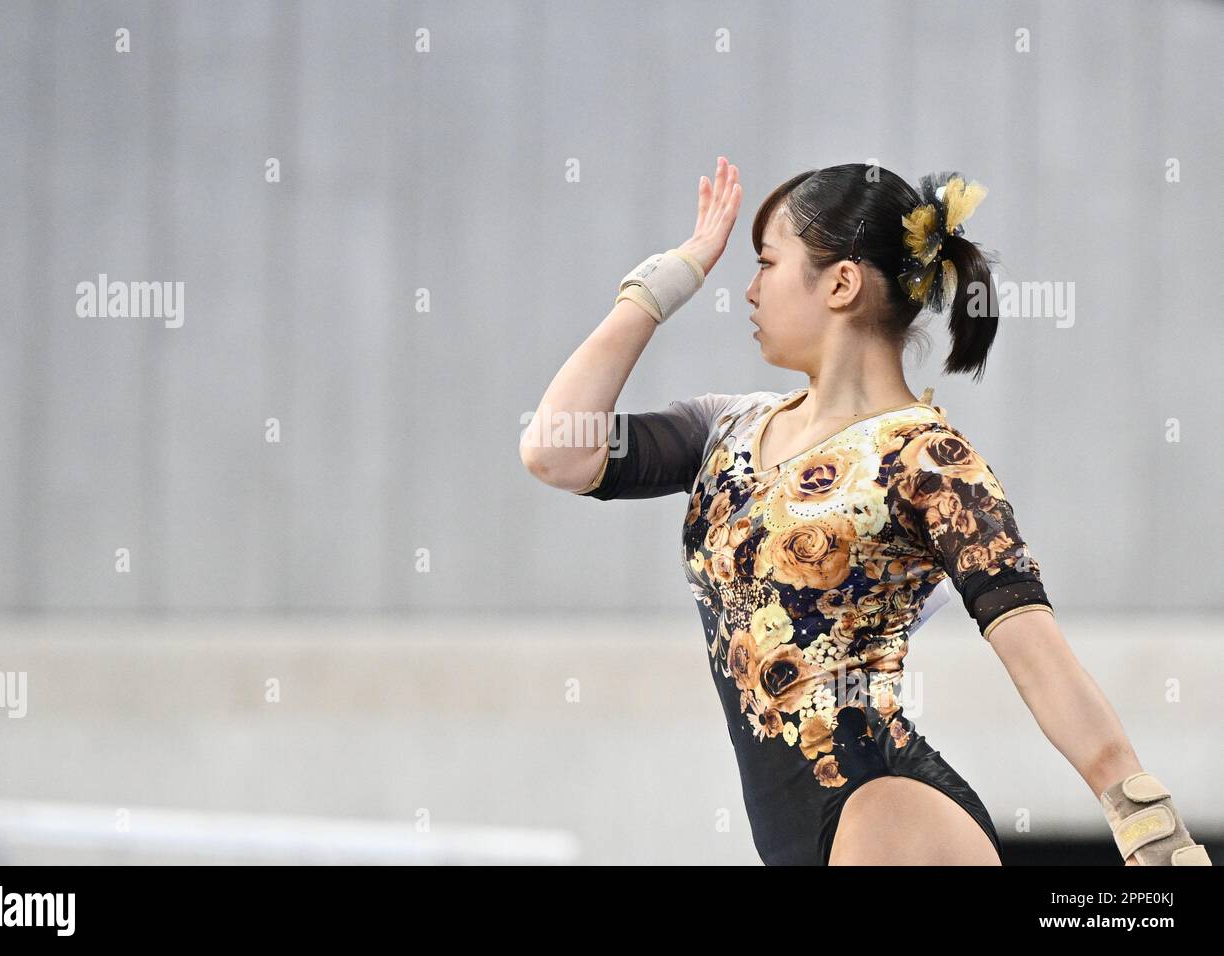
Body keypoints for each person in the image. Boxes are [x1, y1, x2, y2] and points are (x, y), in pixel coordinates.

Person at [519, 158, 1211, 867]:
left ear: (842, 284)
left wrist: (1142, 817)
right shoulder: (725, 429)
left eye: (766, 263)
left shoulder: (929, 459)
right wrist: (665, 281)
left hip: (890, 817)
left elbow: (1036, 652)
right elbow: (554, 452)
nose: (748, 291)